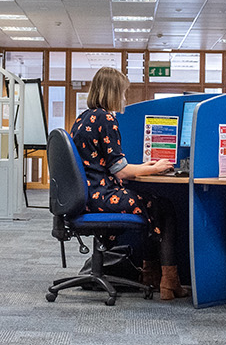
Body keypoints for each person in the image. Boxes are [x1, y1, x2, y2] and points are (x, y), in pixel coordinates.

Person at [69, 67, 187, 300]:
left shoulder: (84, 118)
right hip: (100, 196)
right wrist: (154, 168)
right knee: (162, 207)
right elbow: (121, 172)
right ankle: (168, 282)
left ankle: (150, 274)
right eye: (122, 93)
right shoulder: (106, 118)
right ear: (112, 92)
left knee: (151, 203)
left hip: (86, 194)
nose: (124, 98)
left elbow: (109, 164)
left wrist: (148, 166)